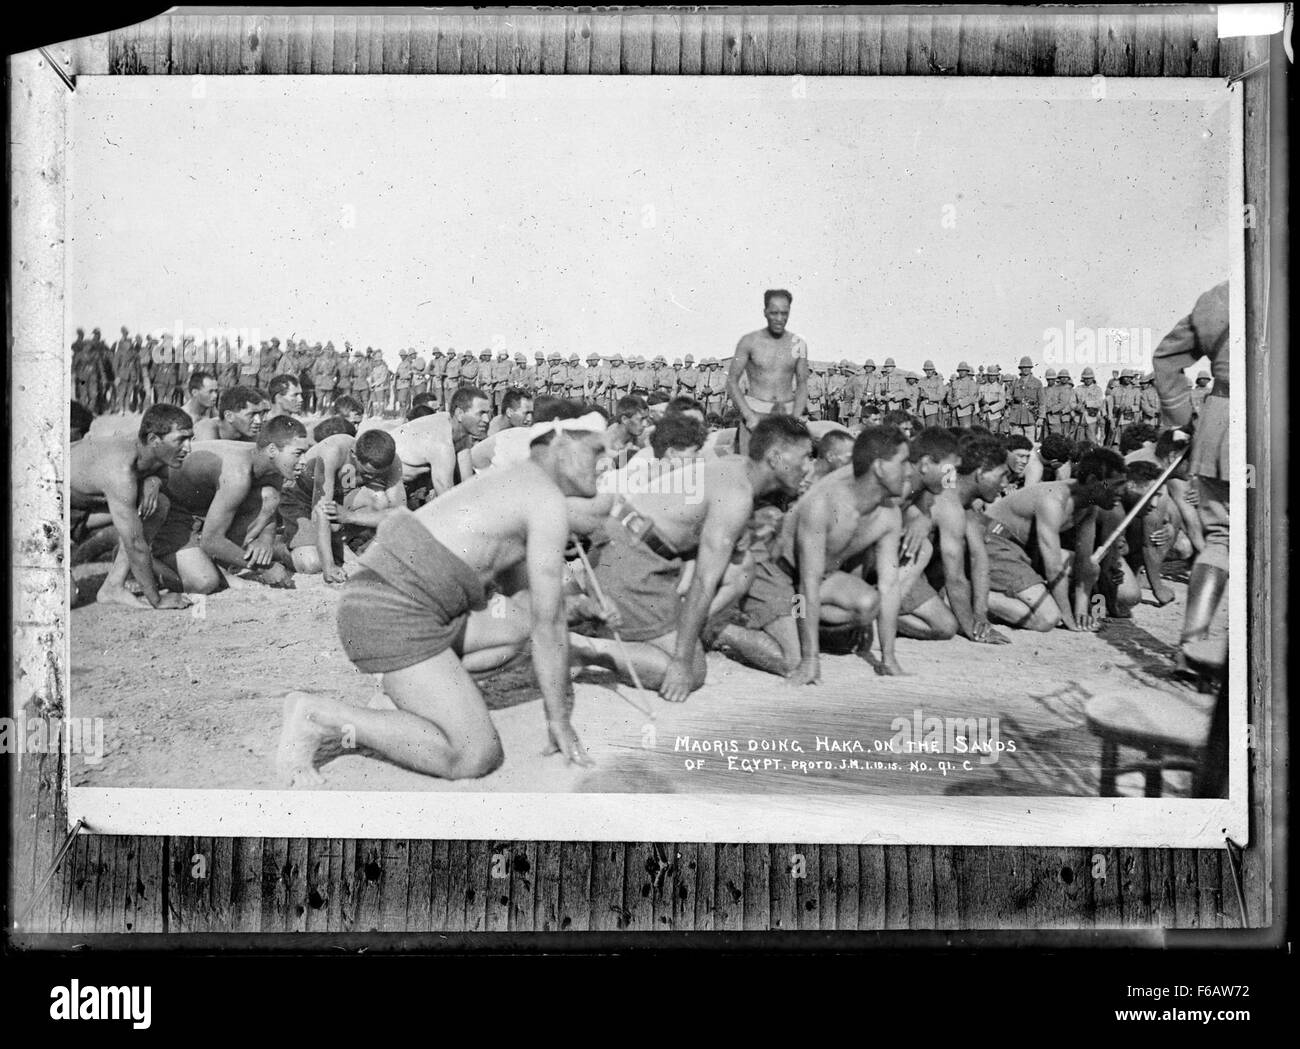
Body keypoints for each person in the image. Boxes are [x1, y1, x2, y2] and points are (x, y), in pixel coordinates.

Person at [277, 403, 611, 784]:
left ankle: (398, 694)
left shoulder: (515, 481)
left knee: (519, 627)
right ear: (563, 446)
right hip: (391, 614)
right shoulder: (544, 498)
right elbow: (550, 627)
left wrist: (577, 606)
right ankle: (320, 716)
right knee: (474, 755)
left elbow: (532, 612)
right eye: (597, 451)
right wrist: (558, 720)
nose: (604, 464)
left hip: (376, 600)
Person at [569, 415, 814, 701]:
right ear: (775, 457)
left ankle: (670, 631)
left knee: (742, 567)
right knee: (693, 672)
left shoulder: (737, 465)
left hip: (635, 546)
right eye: (806, 457)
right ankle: (579, 648)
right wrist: (682, 662)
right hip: (630, 560)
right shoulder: (736, 494)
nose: (809, 467)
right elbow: (704, 582)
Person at [728, 426, 912, 683]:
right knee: (792, 660)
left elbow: (889, 586)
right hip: (773, 572)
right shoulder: (824, 505)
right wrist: (810, 659)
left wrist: (889, 657)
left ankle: (788, 620)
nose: (909, 472)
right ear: (880, 467)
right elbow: (807, 584)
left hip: (808, 584)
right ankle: (720, 629)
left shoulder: (889, 515)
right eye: (903, 463)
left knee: (867, 604)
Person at [1151, 281, 1230, 670]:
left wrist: (1183, 423)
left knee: (1222, 539)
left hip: (1226, 425)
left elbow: (1167, 359)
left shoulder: (1222, 295)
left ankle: (1191, 652)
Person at [153, 416, 310, 593]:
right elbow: (210, 541)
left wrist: (266, 541)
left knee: (269, 495)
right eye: (298, 453)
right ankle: (142, 562)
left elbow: (271, 503)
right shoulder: (237, 473)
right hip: (168, 508)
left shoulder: (271, 462)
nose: (304, 462)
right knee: (204, 582)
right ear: (273, 449)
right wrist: (264, 567)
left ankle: (215, 565)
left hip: (200, 505)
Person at [982, 447, 1128, 631]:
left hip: (1023, 551)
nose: (1121, 491)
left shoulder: (1089, 505)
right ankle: (972, 594)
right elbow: (1053, 567)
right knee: (1048, 618)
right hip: (995, 542)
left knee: (1093, 566)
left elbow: (1084, 563)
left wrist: (1080, 613)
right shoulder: (1053, 500)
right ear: (1092, 480)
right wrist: (1067, 618)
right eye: (1114, 484)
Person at [69, 404, 195, 610]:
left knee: (159, 504)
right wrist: (157, 599)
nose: (188, 448)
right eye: (181, 440)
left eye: (191, 439)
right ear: (154, 440)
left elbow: (158, 474)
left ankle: (113, 587)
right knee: (65, 600)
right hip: (45, 508)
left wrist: (153, 481)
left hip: (79, 508)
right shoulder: (120, 470)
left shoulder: (152, 450)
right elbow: (135, 543)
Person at [909, 433, 1011, 644]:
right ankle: (870, 617)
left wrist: (980, 614)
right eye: (1001, 475)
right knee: (945, 626)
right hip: (890, 570)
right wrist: (972, 629)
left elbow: (979, 560)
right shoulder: (947, 500)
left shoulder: (966, 506)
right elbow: (954, 577)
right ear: (981, 473)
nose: (1005, 483)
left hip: (909, 568)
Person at [284, 429, 405, 583]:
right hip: (302, 498)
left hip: (338, 497)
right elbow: (320, 511)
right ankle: (279, 548)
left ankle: (339, 542)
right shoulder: (333, 450)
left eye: (377, 474)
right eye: (367, 473)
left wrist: (351, 517)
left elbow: (401, 513)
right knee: (311, 563)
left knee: (378, 498)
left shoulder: (393, 461)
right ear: (354, 454)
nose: (372, 478)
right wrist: (329, 566)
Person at [726, 289, 810, 454]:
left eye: (784, 313)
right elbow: (731, 381)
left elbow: (802, 384)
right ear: (765, 312)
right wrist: (748, 415)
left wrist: (796, 418)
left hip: (786, 415)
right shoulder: (748, 342)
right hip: (756, 415)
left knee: (785, 471)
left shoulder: (798, 344)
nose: (779, 319)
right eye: (774, 313)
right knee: (751, 471)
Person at [390, 385, 491, 498]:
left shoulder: (461, 432)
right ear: (460, 414)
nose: (487, 419)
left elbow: (467, 483)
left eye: (487, 413)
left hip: (408, 482)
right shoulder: (441, 441)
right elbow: (447, 497)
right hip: (386, 482)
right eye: (480, 413)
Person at [192, 385, 270, 442]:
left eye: (260, 414)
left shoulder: (252, 433)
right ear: (229, 416)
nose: (258, 421)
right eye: (252, 415)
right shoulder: (206, 429)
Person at [1007, 356, 1043, 440]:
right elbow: (1008, 397)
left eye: (1027, 367)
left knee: (1030, 444)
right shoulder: (1015, 382)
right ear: (1020, 369)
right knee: (1016, 443)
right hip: (1016, 417)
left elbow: (1042, 402)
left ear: (1031, 368)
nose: (1025, 369)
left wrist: (1041, 417)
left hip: (1030, 416)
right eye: (1023, 367)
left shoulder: (1037, 383)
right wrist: (1012, 401)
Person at [946, 361, 979, 428]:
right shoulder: (955, 382)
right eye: (960, 371)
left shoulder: (971, 383)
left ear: (967, 372)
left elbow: (971, 398)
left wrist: (958, 403)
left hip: (965, 412)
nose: (961, 372)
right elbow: (949, 395)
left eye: (963, 370)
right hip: (954, 412)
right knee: (954, 433)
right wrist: (950, 403)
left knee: (965, 433)